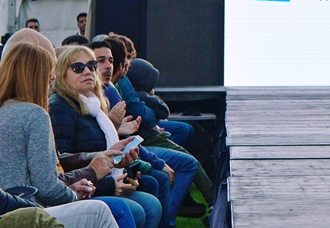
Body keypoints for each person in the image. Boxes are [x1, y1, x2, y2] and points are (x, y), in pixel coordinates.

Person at [0, 42, 134, 228]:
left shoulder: (6, 110)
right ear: (38, 79)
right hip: (23, 212)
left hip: (15, 206)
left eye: (91, 66)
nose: (50, 87)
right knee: (101, 211)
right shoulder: (34, 114)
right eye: (49, 81)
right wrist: (74, 193)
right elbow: (46, 188)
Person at [48, 47, 164, 228]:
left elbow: (98, 150)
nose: (88, 71)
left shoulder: (94, 104)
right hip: (86, 187)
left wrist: (125, 165)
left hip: (104, 178)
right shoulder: (59, 107)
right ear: (62, 74)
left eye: (92, 66)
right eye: (78, 67)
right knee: (142, 208)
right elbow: (64, 163)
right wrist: (109, 185)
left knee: (151, 198)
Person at [99, 38, 210, 217]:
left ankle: (184, 201)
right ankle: (195, 205)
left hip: (134, 145)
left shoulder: (111, 87)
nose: (129, 63)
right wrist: (155, 163)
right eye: (100, 61)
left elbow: (149, 113)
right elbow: (140, 112)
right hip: (135, 146)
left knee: (183, 134)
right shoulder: (111, 89)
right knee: (185, 163)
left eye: (110, 61)